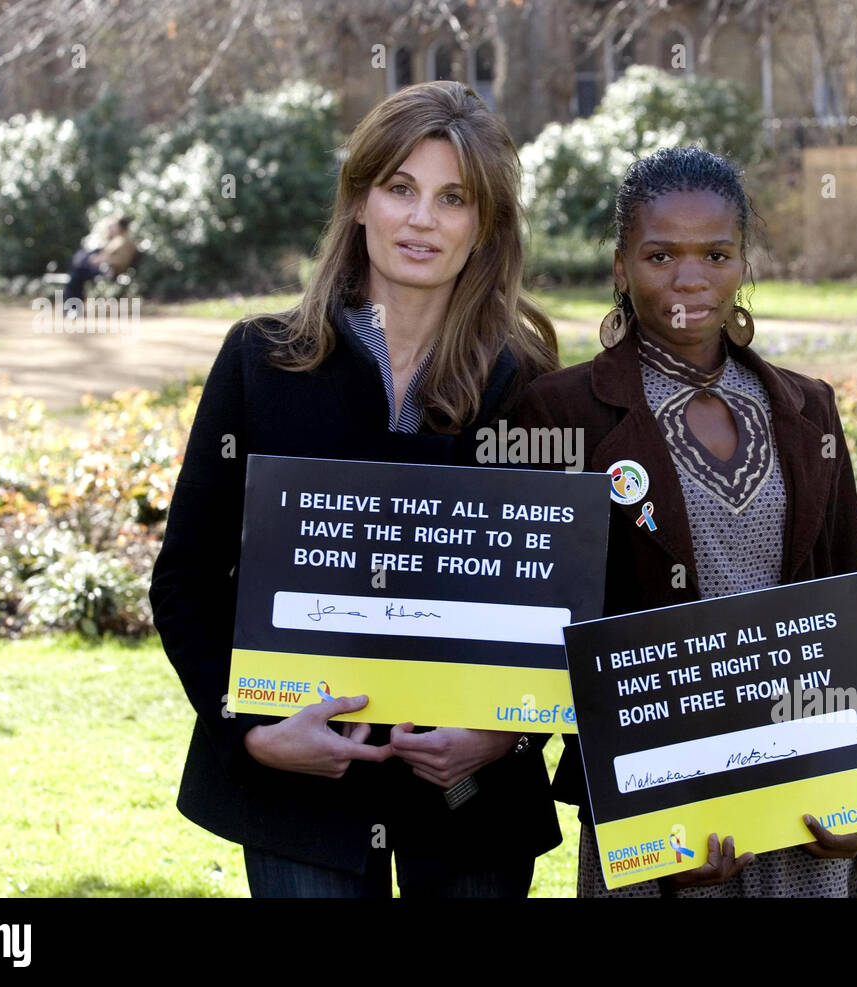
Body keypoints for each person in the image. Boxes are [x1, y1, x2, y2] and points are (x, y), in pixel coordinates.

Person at [148, 81, 561, 898]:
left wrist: (503, 733)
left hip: (470, 801)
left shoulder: (533, 385)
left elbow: (564, 597)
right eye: (400, 189)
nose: (421, 219)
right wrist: (255, 733)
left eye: (453, 199)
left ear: (485, 226)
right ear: (360, 200)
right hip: (299, 795)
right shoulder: (260, 361)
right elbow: (186, 579)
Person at [511, 146, 857, 898]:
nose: (690, 279)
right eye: (661, 255)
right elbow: (550, 641)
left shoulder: (807, 407)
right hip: (660, 811)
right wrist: (652, 817)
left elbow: (855, 606)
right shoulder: (564, 415)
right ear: (622, 266)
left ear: (743, 261)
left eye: (716, 254)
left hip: (805, 805)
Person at [63, 216, 136, 302]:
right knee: (78, 269)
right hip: (105, 268)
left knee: (77, 272)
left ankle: (73, 303)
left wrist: (104, 260)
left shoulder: (124, 241)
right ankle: (74, 303)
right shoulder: (118, 239)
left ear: (120, 227)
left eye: (114, 226)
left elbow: (121, 261)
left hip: (110, 271)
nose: (111, 229)